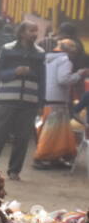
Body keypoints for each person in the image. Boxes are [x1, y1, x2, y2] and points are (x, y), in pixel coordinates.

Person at [0, 21, 46, 181]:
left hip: (29, 101)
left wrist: (41, 103)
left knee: (23, 137)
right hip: (7, 99)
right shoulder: (8, 49)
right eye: (31, 30)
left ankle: (14, 171)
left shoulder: (40, 53)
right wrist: (14, 72)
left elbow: (42, 79)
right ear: (22, 32)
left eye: (36, 31)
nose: (34, 34)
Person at [33, 38, 88, 170]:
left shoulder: (48, 58)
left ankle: (55, 157)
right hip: (57, 100)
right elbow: (63, 79)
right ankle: (42, 157)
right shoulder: (65, 60)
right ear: (70, 51)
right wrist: (79, 74)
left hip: (48, 98)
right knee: (52, 132)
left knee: (53, 130)